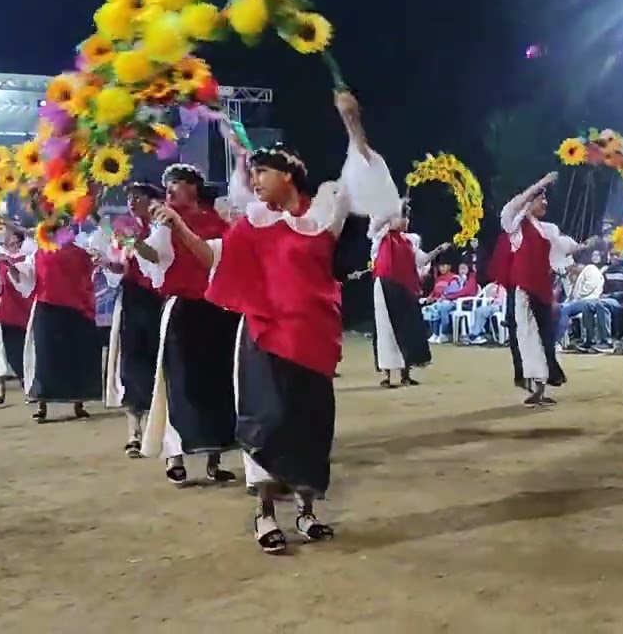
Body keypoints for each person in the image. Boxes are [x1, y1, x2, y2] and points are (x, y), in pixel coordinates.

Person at [203, 90, 400, 554]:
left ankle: (307, 511)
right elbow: (223, 250)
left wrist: (352, 120)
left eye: (262, 173)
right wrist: (234, 152)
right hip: (265, 334)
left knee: (309, 424)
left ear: (288, 175)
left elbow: (364, 174)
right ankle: (265, 514)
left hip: (313, 333)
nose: (254, 182)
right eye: (251, 175)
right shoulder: (252, 220)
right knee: (266, 421)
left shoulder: (327, 208)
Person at [136, 163, 239, 486]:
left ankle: (214, 458)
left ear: (193, 186)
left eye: (177, 182)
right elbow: (154, 255)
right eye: (167, 183)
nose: (170, 189)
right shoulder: (164, 219)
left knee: (218, 383)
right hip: (183, 309)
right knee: (177, 383)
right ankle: (174, 455)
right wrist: (132, 241)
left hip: (218, 310)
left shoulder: (216, 219)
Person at [489, 171, 597, 407]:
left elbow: (562, 249)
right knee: (529, 337)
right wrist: (541, 183)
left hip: (541, 289)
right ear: (530, 202)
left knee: (544, 338)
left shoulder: (543, 228)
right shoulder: (514, 224)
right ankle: (534, 388)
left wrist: (584, 246)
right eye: (541, 199)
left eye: (546, 198)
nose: (546, 203)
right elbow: (513, 206)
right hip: (524, 289)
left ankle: (541, 387)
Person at [14, 227, 103, 421]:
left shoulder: (81, 252)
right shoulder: (39, 253)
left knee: (76, 358)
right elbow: (27, 278)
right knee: (45, 357)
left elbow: (94, 269)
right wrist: (11, 267)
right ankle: (42, 403)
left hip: (76, 308)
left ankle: (79, 402)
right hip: (48, 307)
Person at [103, 181, 166, 458]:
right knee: (132, 364)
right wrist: (106, 263)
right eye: (129, 198)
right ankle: (134, 432)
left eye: (137, 197)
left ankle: (161, 430)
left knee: (160, 365)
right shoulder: (125, 231)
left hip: (160, 301)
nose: (131, 202)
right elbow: (122, 265)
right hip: (134, 301)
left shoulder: (164, 228)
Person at [368, 208, 447, 387]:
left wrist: (437, 251)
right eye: (402, 217)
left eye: (406, 217)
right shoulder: (382, 237)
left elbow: (422, 260)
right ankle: (387, 375)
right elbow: (375, 222)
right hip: (385, 285)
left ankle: (406, 373)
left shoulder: (410, 241)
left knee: (408, 328)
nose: (405, 221)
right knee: (385, 328)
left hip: (404, 287)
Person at [0, 226, 34, 405]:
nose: (12, 244)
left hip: (28, 309)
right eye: (9, 241)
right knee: (1, 350)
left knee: (27, 351)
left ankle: (29, 387)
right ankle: (0, 388)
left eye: (15, 241)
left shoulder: (29, 258)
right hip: (6, 310)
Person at [556, 256, 606, 351]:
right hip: (582, 301)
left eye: (571, 269)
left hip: (591, 300)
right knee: (559, 308)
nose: (571, 272)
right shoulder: (579, 276)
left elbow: (588, 288)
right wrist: (572, 282)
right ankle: (557, 340)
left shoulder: (591, 269)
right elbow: (571, 296)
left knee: (565, 310)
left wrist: (575, 297)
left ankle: (557, 341)